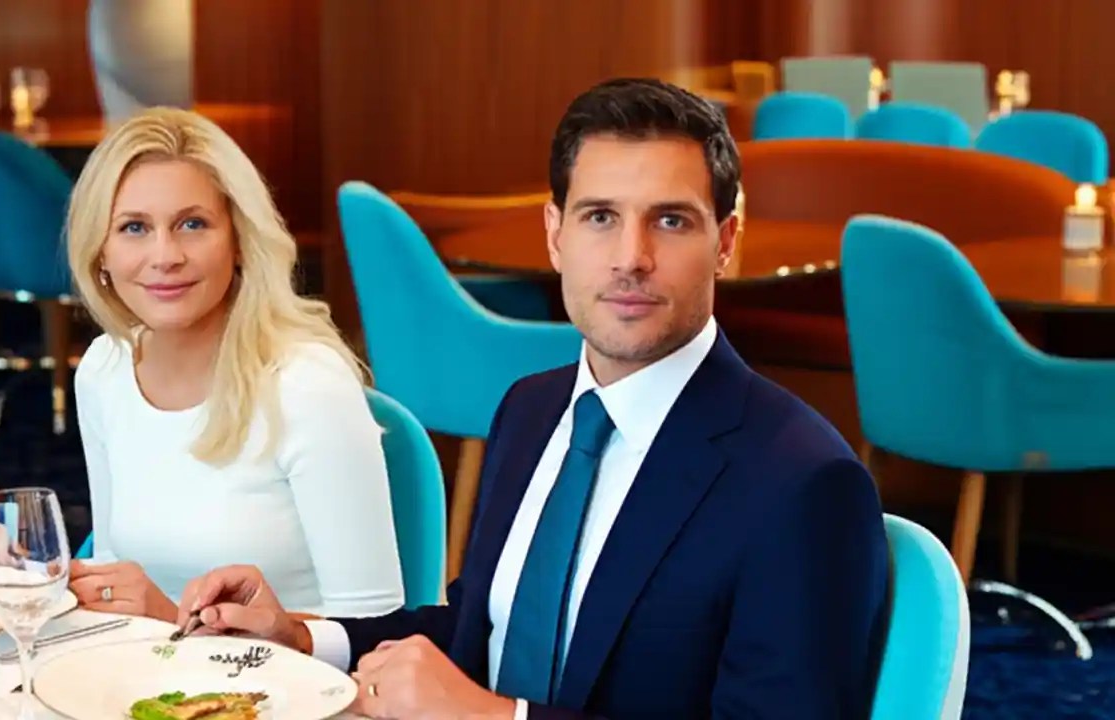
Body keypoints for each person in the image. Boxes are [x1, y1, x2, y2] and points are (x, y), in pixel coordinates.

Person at [177, 79, 890, 719]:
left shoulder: (802, 483)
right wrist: (302, 635)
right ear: (556, 235)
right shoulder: (532, 410)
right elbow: (480, 631)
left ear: (726, 241)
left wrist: (494, 719)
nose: (630, 257)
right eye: (599, 217)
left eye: (670, 220)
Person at [0, 108, 407, 627]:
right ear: (101, 253)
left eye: (192, 224)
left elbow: (376, 635)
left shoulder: (307, 385)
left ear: (239, 241)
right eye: (134, 227)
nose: (165, 256)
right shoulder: (106, 370)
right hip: (146, 683)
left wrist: (171, 618)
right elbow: (111, 572)